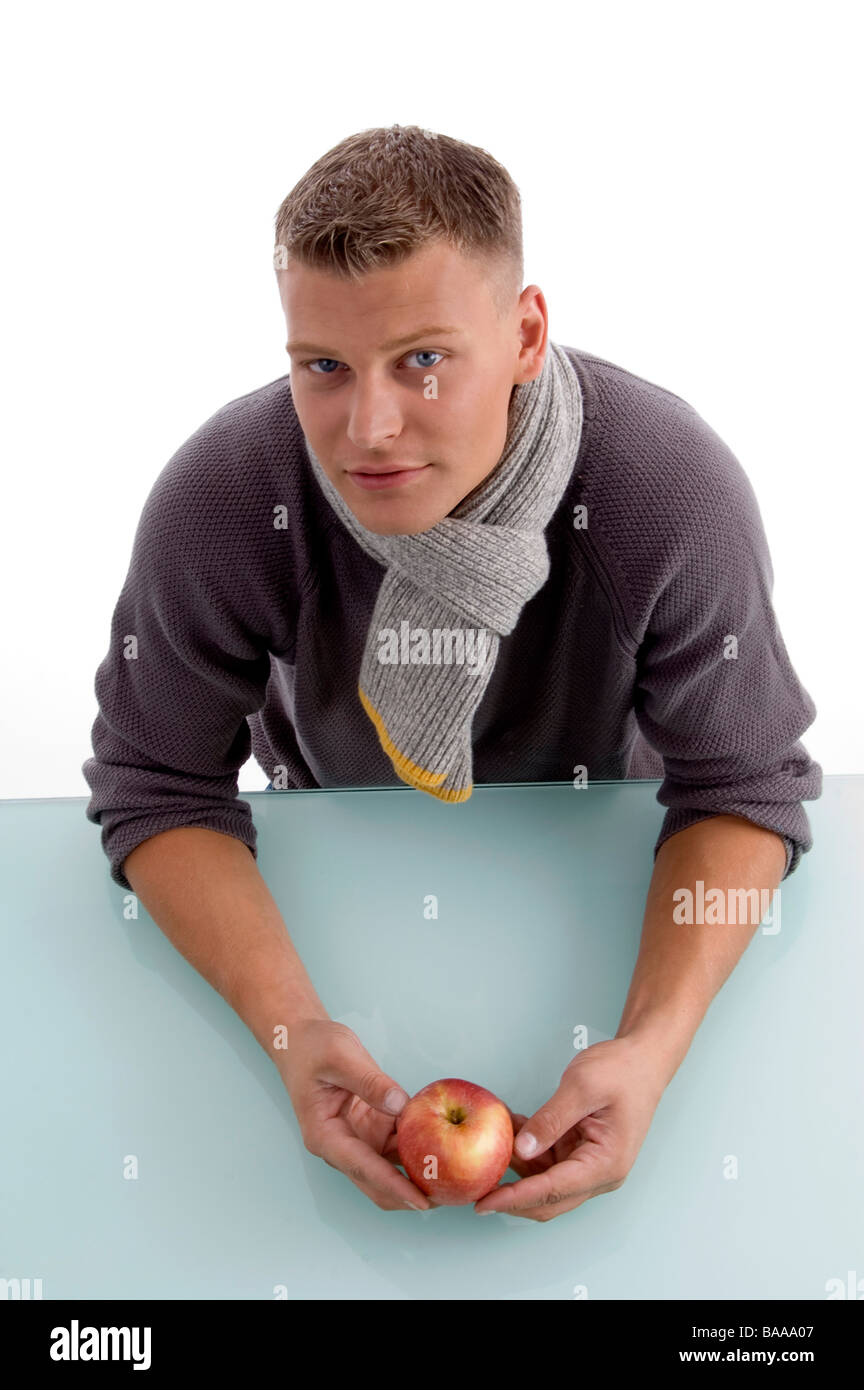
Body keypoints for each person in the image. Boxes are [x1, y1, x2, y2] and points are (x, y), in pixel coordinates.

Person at [82, 124, 821, 1221]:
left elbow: (743, 785)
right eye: (323, 366)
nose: (367, 430)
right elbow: (155, 787)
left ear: (526, 336)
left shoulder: (670, 496)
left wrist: (651, 1051)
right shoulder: (224, 501)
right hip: (336, 852)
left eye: (423, 358)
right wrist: (293, 1028)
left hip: (606, 858)